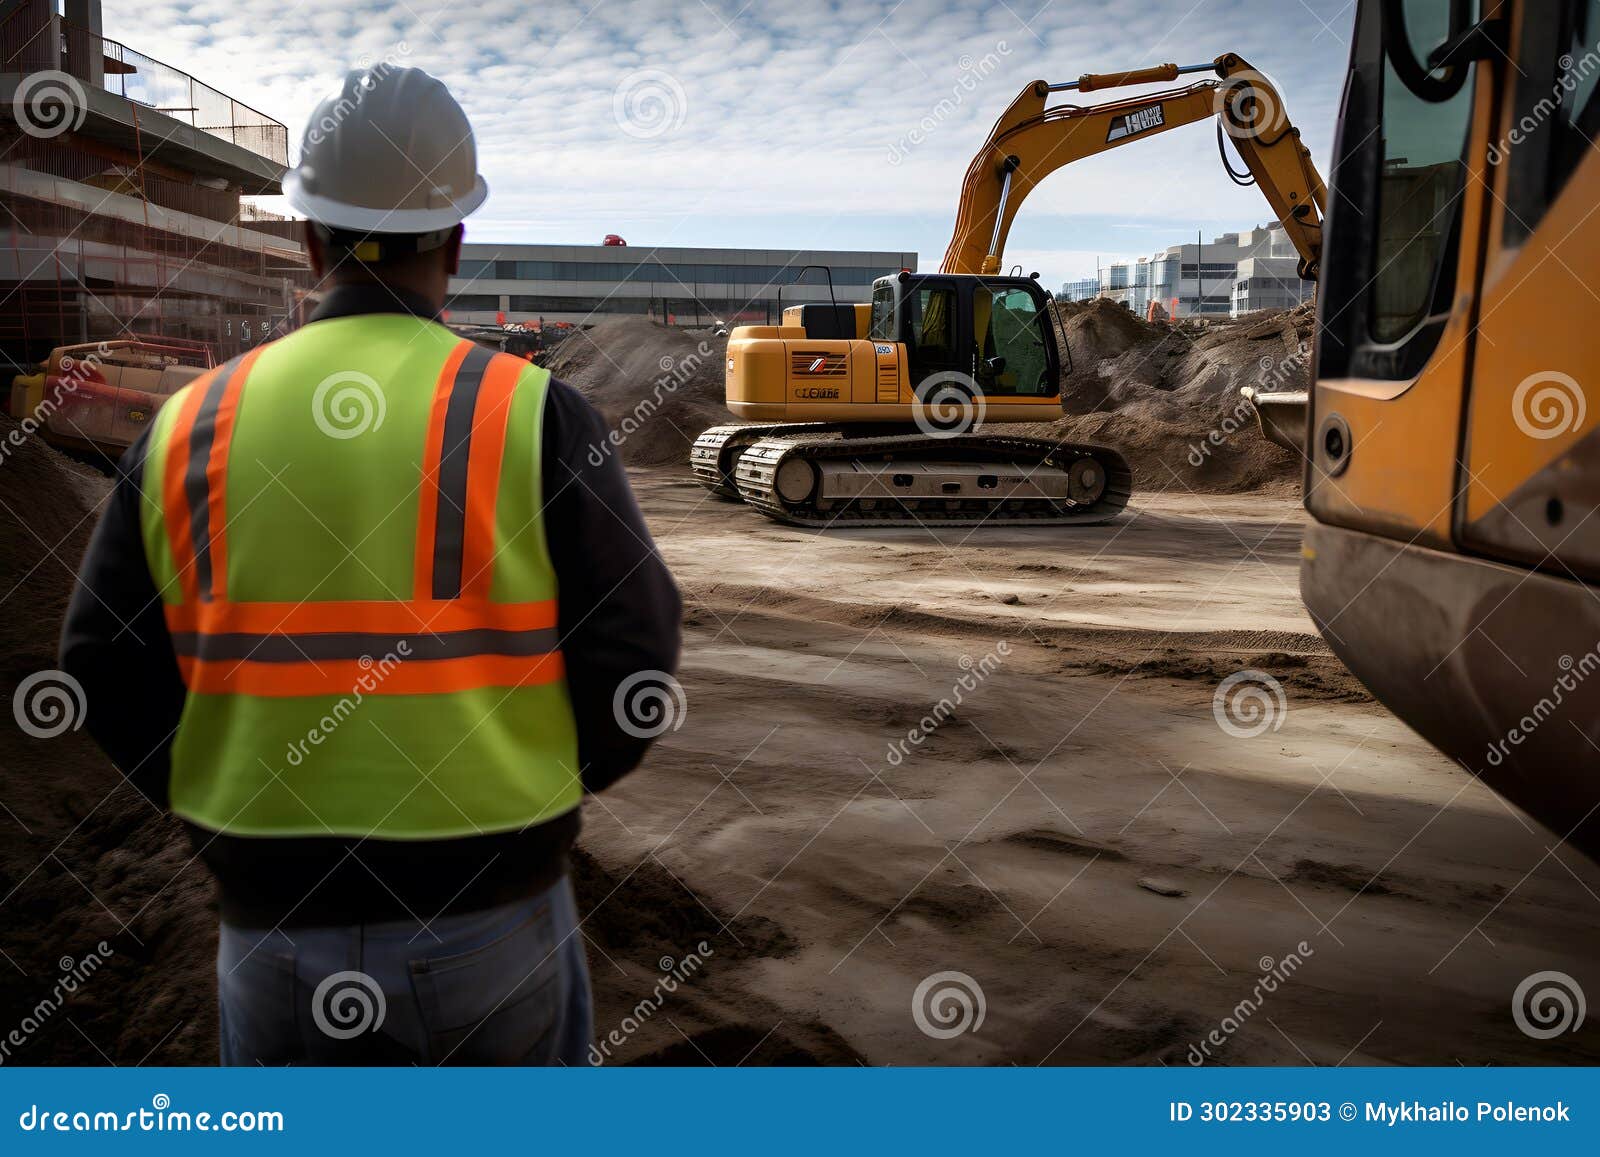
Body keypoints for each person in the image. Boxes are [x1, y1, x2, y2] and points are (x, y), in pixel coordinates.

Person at [57, 66, 681, 1065]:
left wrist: (226, 806)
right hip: (491, 915)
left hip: (273, 925)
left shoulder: (185, 426)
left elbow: (101, 666)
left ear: (310, 240)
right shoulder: (535, 414)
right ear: (456, 243)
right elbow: (634, 653)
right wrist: (527, 805)